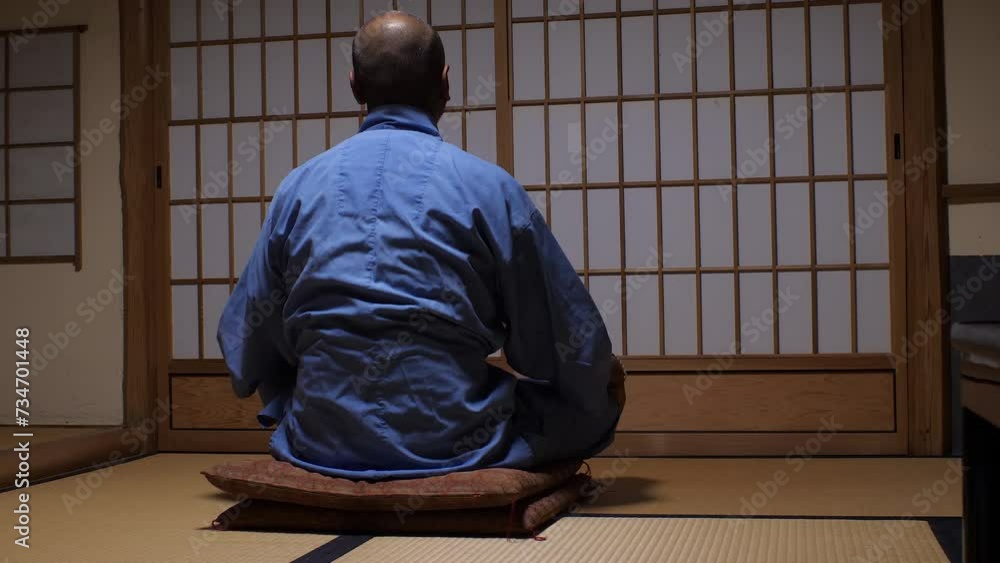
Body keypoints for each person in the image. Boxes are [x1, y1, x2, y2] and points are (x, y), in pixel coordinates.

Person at [218, 11, 625, 481]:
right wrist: (597, 381)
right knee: (594, 395)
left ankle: (335, 427)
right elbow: (559, 341)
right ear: (446, 83)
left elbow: (247, 343)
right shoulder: (489, 188)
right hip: (455, 438)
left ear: (355, 86)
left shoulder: (298, 188)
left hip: (321, 439)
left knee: (288, 379)